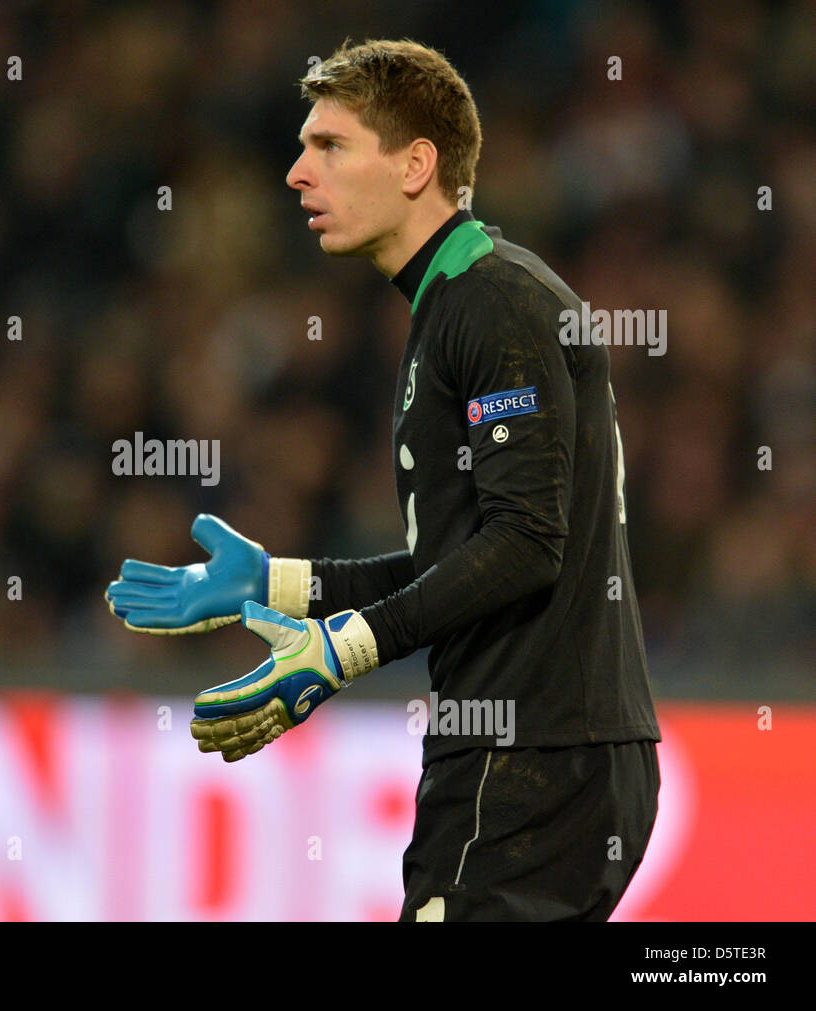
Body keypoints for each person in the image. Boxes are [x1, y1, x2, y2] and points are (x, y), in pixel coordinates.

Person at [106, 38, 660, 922]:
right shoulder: (462, 303)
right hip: (534, 756)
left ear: (416, 165)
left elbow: (526, 543)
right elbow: (469, 555)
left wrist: (343, 649)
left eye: (329, 145)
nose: (296, 172)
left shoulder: (494, 302)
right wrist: (281, 584)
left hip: (533, 757)